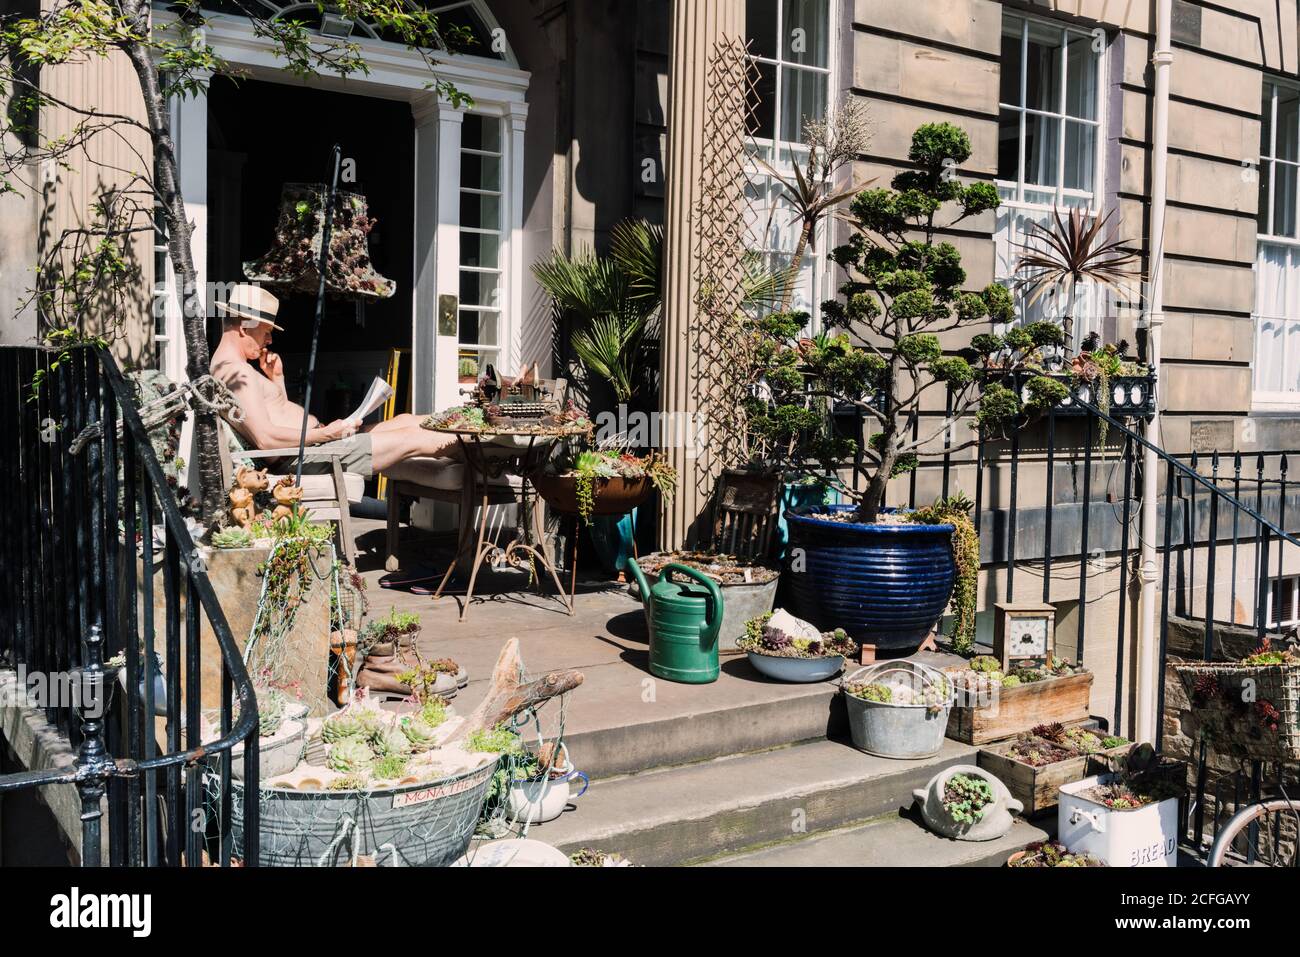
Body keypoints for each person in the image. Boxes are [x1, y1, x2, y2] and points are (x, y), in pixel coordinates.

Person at [210, 284, 459, 476]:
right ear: (244, 327)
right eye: (266, 332)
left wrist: (277, 379)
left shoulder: (232, 369)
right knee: (412, 437)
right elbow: (266, 440)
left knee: (405, 420)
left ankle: (479, 434)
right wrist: (328, 434)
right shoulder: (236, 374)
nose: (270, 341)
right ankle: (489, 445)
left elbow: (277, 413)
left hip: (313, 446)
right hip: (307, 457)